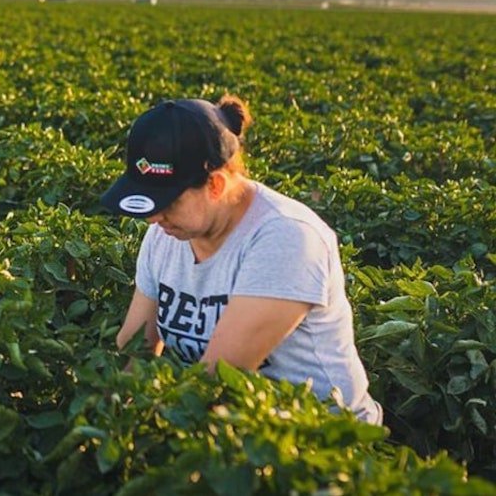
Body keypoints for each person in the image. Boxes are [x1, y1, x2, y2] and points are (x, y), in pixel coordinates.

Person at [103, 95, 382, 425]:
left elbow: (215, 380)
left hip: (324, 442)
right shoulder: (165, 236)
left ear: (216, 185)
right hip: (237, 430)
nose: (153, 218)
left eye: (168, 202)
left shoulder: (285, 239)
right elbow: (134, 353)